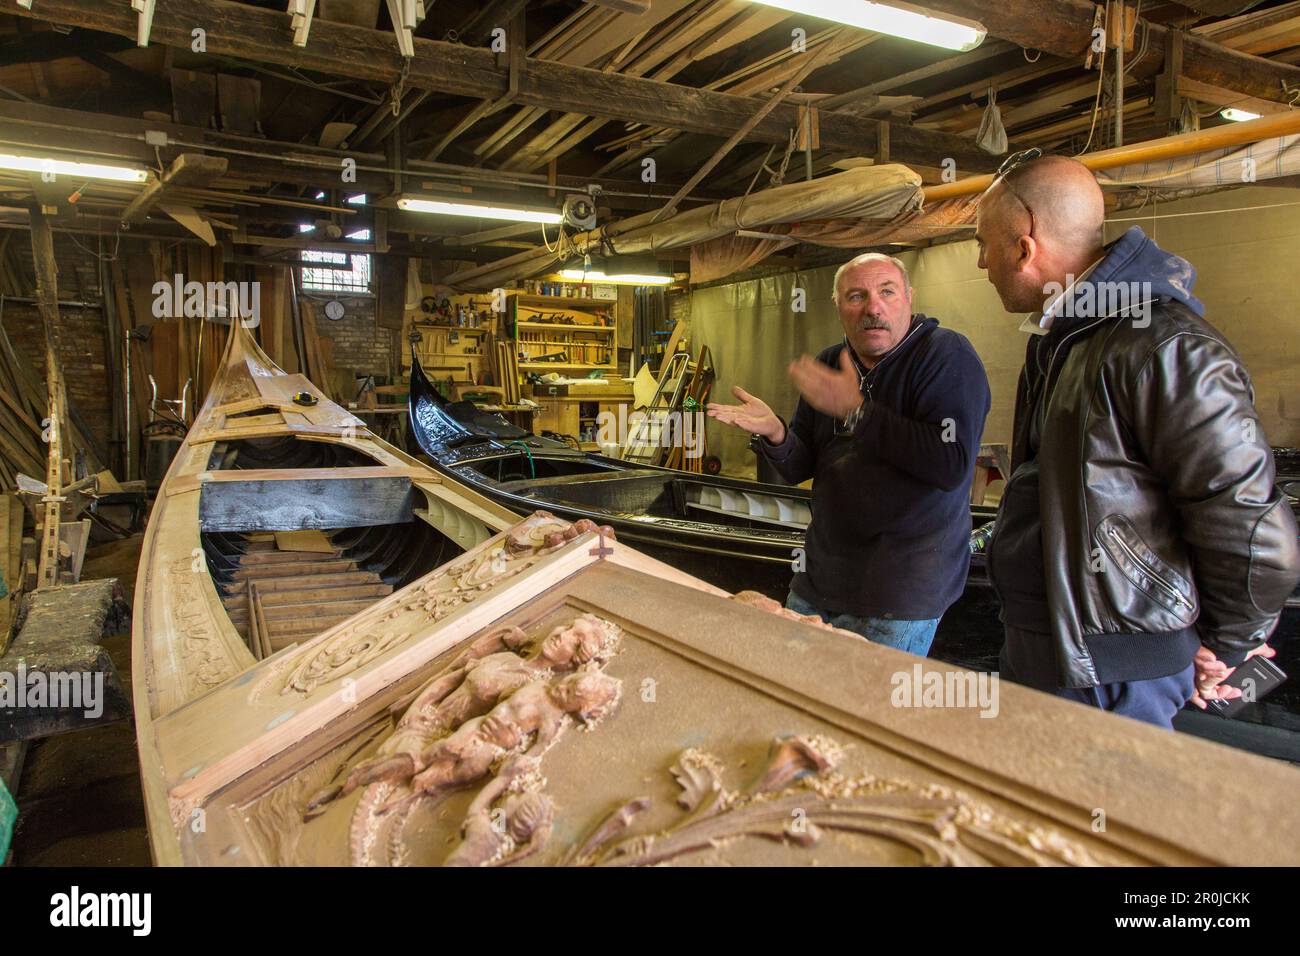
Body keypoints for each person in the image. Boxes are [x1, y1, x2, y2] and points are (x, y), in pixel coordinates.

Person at [974, 151, 1300, 728]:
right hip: (1056, 650)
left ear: (1024, 247)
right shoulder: (1065, 342)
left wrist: (1225, 646)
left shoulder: (1165, 347)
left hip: (1110, 673)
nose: (981, 262)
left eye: (983, 244)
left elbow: (1250, 527)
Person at [707, 253, 991, 657]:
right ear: (838, 305)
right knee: (790, 685)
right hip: (820, 580)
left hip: (899, 591)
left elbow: (949, 464)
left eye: (887, 292)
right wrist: (775, 433)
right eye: (856, 296)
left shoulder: (945, 356)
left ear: (909, 297)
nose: (873, 307)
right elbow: (800, 466)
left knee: (866, 695)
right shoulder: (831, 363)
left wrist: (857, 411)